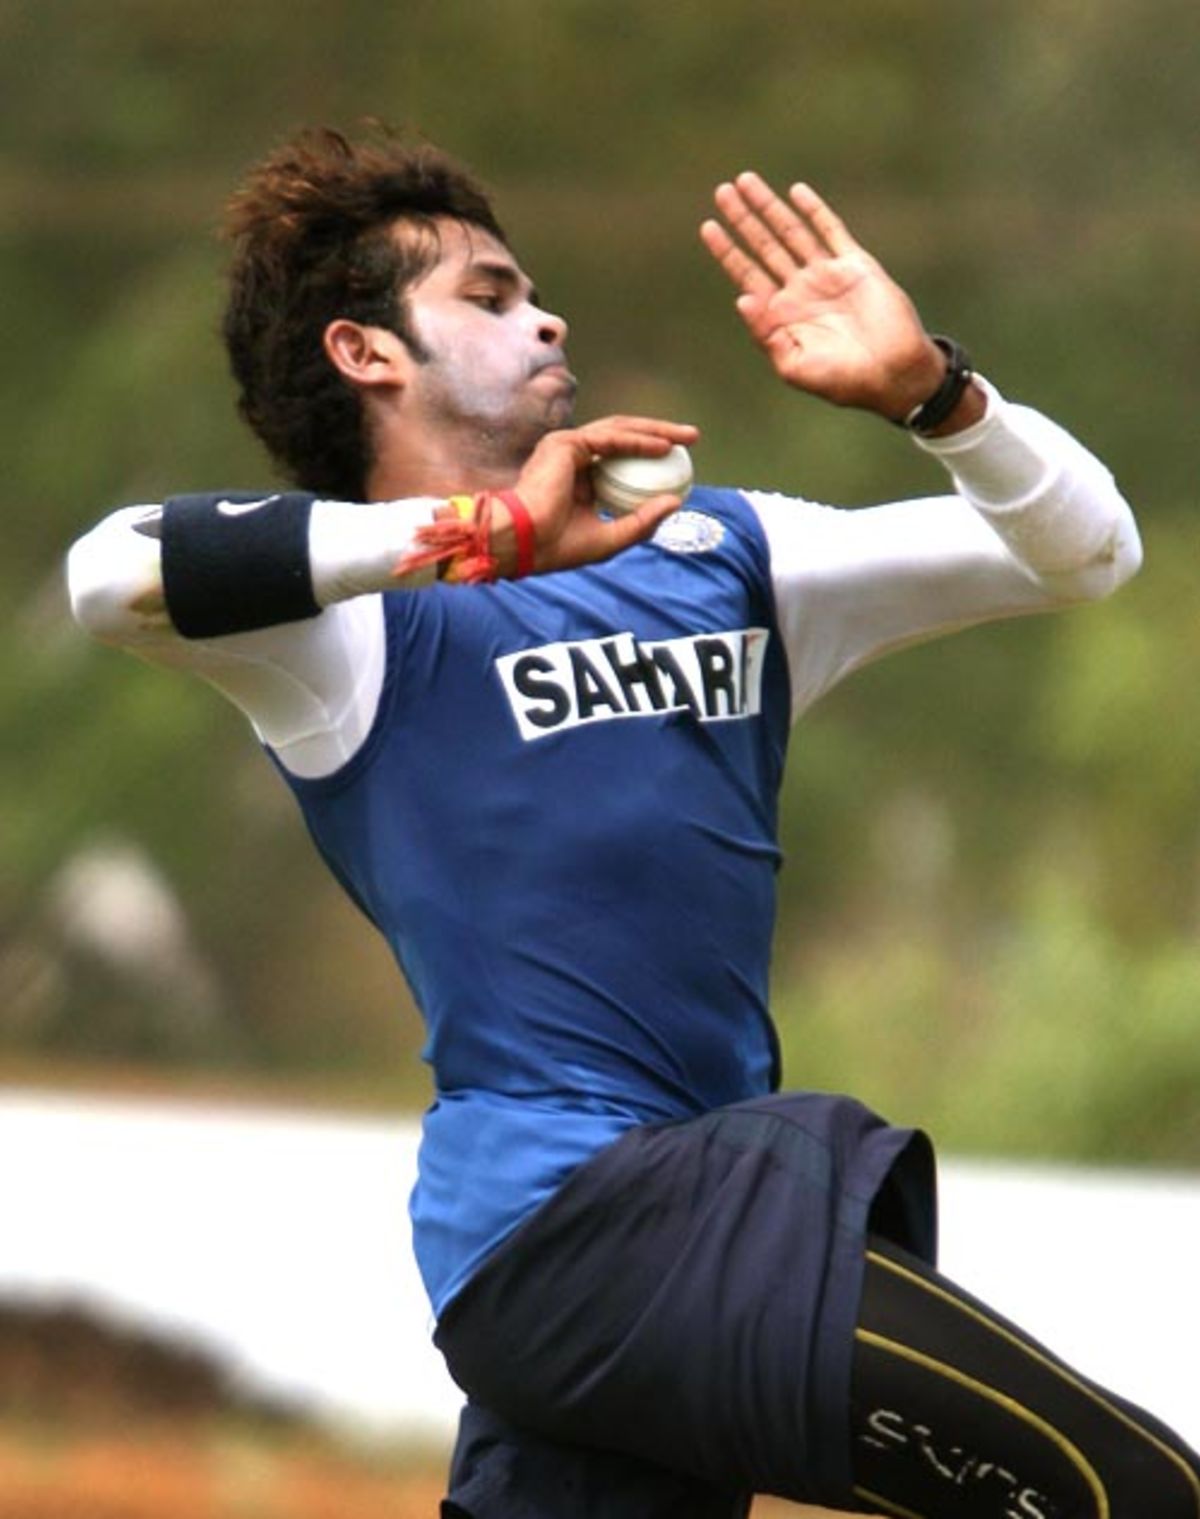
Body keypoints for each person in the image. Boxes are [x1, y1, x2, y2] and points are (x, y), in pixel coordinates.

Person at [67, 126, 1198, 1518]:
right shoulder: (342, 631)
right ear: (364, 353)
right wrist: (482, 539)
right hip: (570, 1227)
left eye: (535, 294)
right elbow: (108, 576)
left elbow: (1088, 553)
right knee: (1133, 1493)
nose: (545, 318)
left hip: (681, 1225)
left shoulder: (724, 554)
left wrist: (938, 396)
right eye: (489, 297)